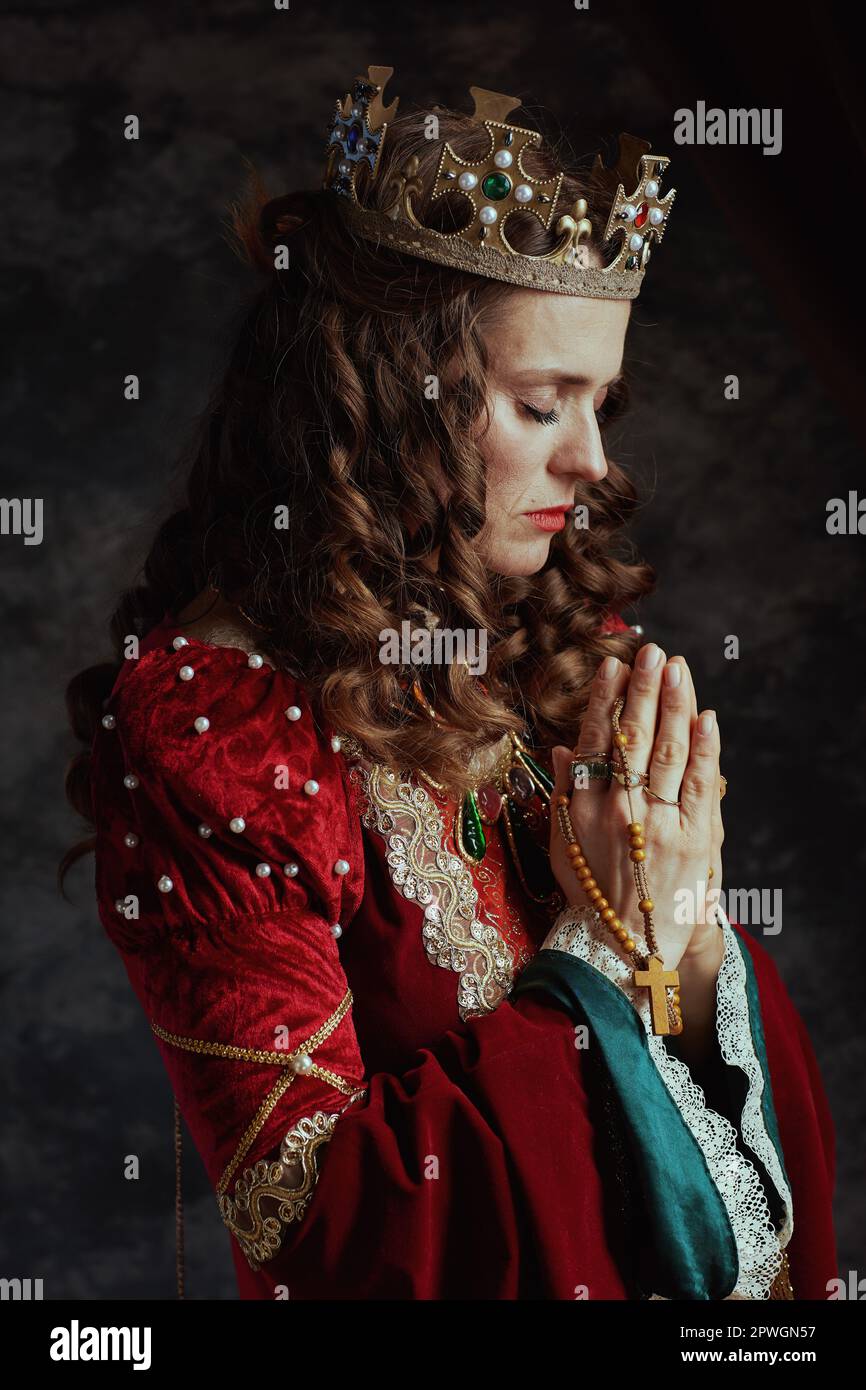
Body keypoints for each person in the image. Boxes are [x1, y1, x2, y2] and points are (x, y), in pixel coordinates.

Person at [61, 65, 837, 1300]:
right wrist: (600, 949)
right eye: (541, 403)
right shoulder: (217, 727)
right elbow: (314, 1224)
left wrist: (685, 938)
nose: (589, 460)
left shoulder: (547, 626)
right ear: (384, 398)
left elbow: (710, 1091)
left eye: (603, 403)